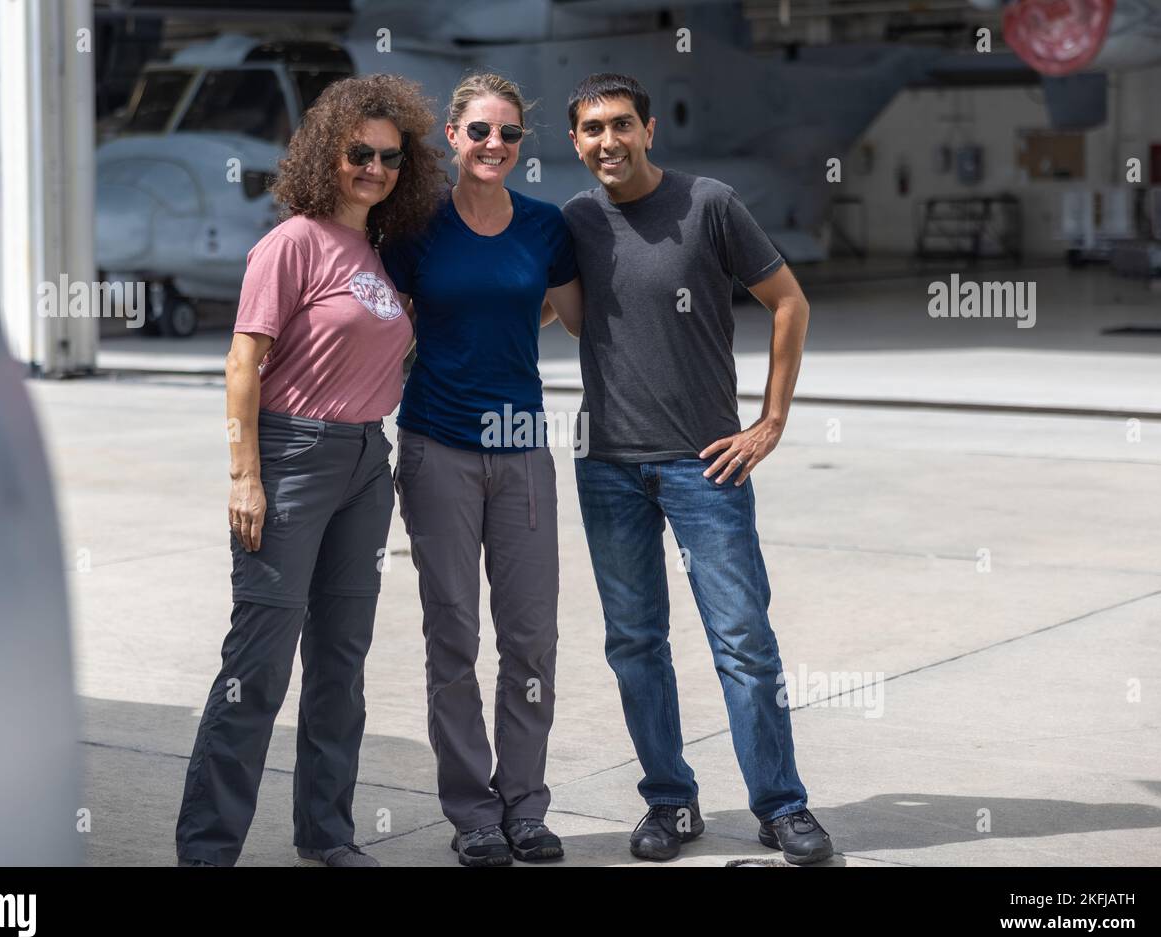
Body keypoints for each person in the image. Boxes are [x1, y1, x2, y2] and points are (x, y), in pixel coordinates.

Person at [557, 72, 834, 865]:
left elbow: (790, 302)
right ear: (575, 143)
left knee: (744, 641)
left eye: (620, 125)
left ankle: (782, 808)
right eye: (590, 130)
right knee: (635, 642)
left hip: (705, 465)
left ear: (649, 129)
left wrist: (770, 421)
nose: (606, 141)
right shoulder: (575, 220)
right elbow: (545, 303)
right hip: (607, 464)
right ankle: (670, 802)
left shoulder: (708, 204)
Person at [174, 74, 444, 868]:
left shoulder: (379, 253)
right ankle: (206, 848)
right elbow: (242, 362)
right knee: (256, 667)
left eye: (390, 157)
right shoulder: (290, 241)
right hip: (291, 455)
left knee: (341, 662)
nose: (374, 167)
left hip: (367, 459)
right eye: (358, 152)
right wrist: (244, 476)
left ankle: (327, 833)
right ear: (327, 153)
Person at [381, 72, 582, 867]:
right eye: (478, 131)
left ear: (519, 145)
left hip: (524, 451)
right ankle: (472, 812)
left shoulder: (545, 229)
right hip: (438, 450)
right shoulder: (417, 228)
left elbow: (569, 315)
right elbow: (381, 323)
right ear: (452, 139)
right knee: (453, 637)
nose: (493, 144)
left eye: (506, 133)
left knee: (531, 641)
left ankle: (525, 808)